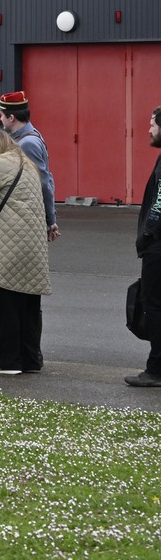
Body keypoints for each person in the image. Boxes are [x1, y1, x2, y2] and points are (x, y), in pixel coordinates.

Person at [0, 128, 50, 376]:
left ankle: (7, 360)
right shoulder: (26, 163)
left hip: (10, 240)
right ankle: (30, 358)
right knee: (28, 302)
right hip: (33, 243)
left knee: (5, 299)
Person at [0, 91, 59, 243]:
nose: (0, 118)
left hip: (25, 218)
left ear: (11, 118)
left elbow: (43, 183)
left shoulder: (26, 144)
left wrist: (51, 219)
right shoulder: (30, 136)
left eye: (2, 115)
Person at [128, 106, 161, 388]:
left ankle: (156, 369)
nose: (149, 129)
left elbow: (160, 204)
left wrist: (147, 235)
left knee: (154, 305)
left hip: (158, 249)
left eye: (152, 124)